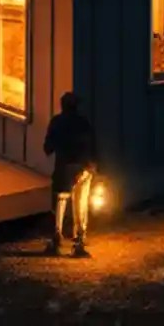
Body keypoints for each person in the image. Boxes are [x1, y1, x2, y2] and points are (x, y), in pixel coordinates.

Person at [43, 91, 96, 257]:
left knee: (60, 200)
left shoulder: (56, 122)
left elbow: (48, 148)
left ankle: (57, 237)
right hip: (82, 167)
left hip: (63, 167)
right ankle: (79, 241)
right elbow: (93, 145)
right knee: (80, 203)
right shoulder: (84, 123)